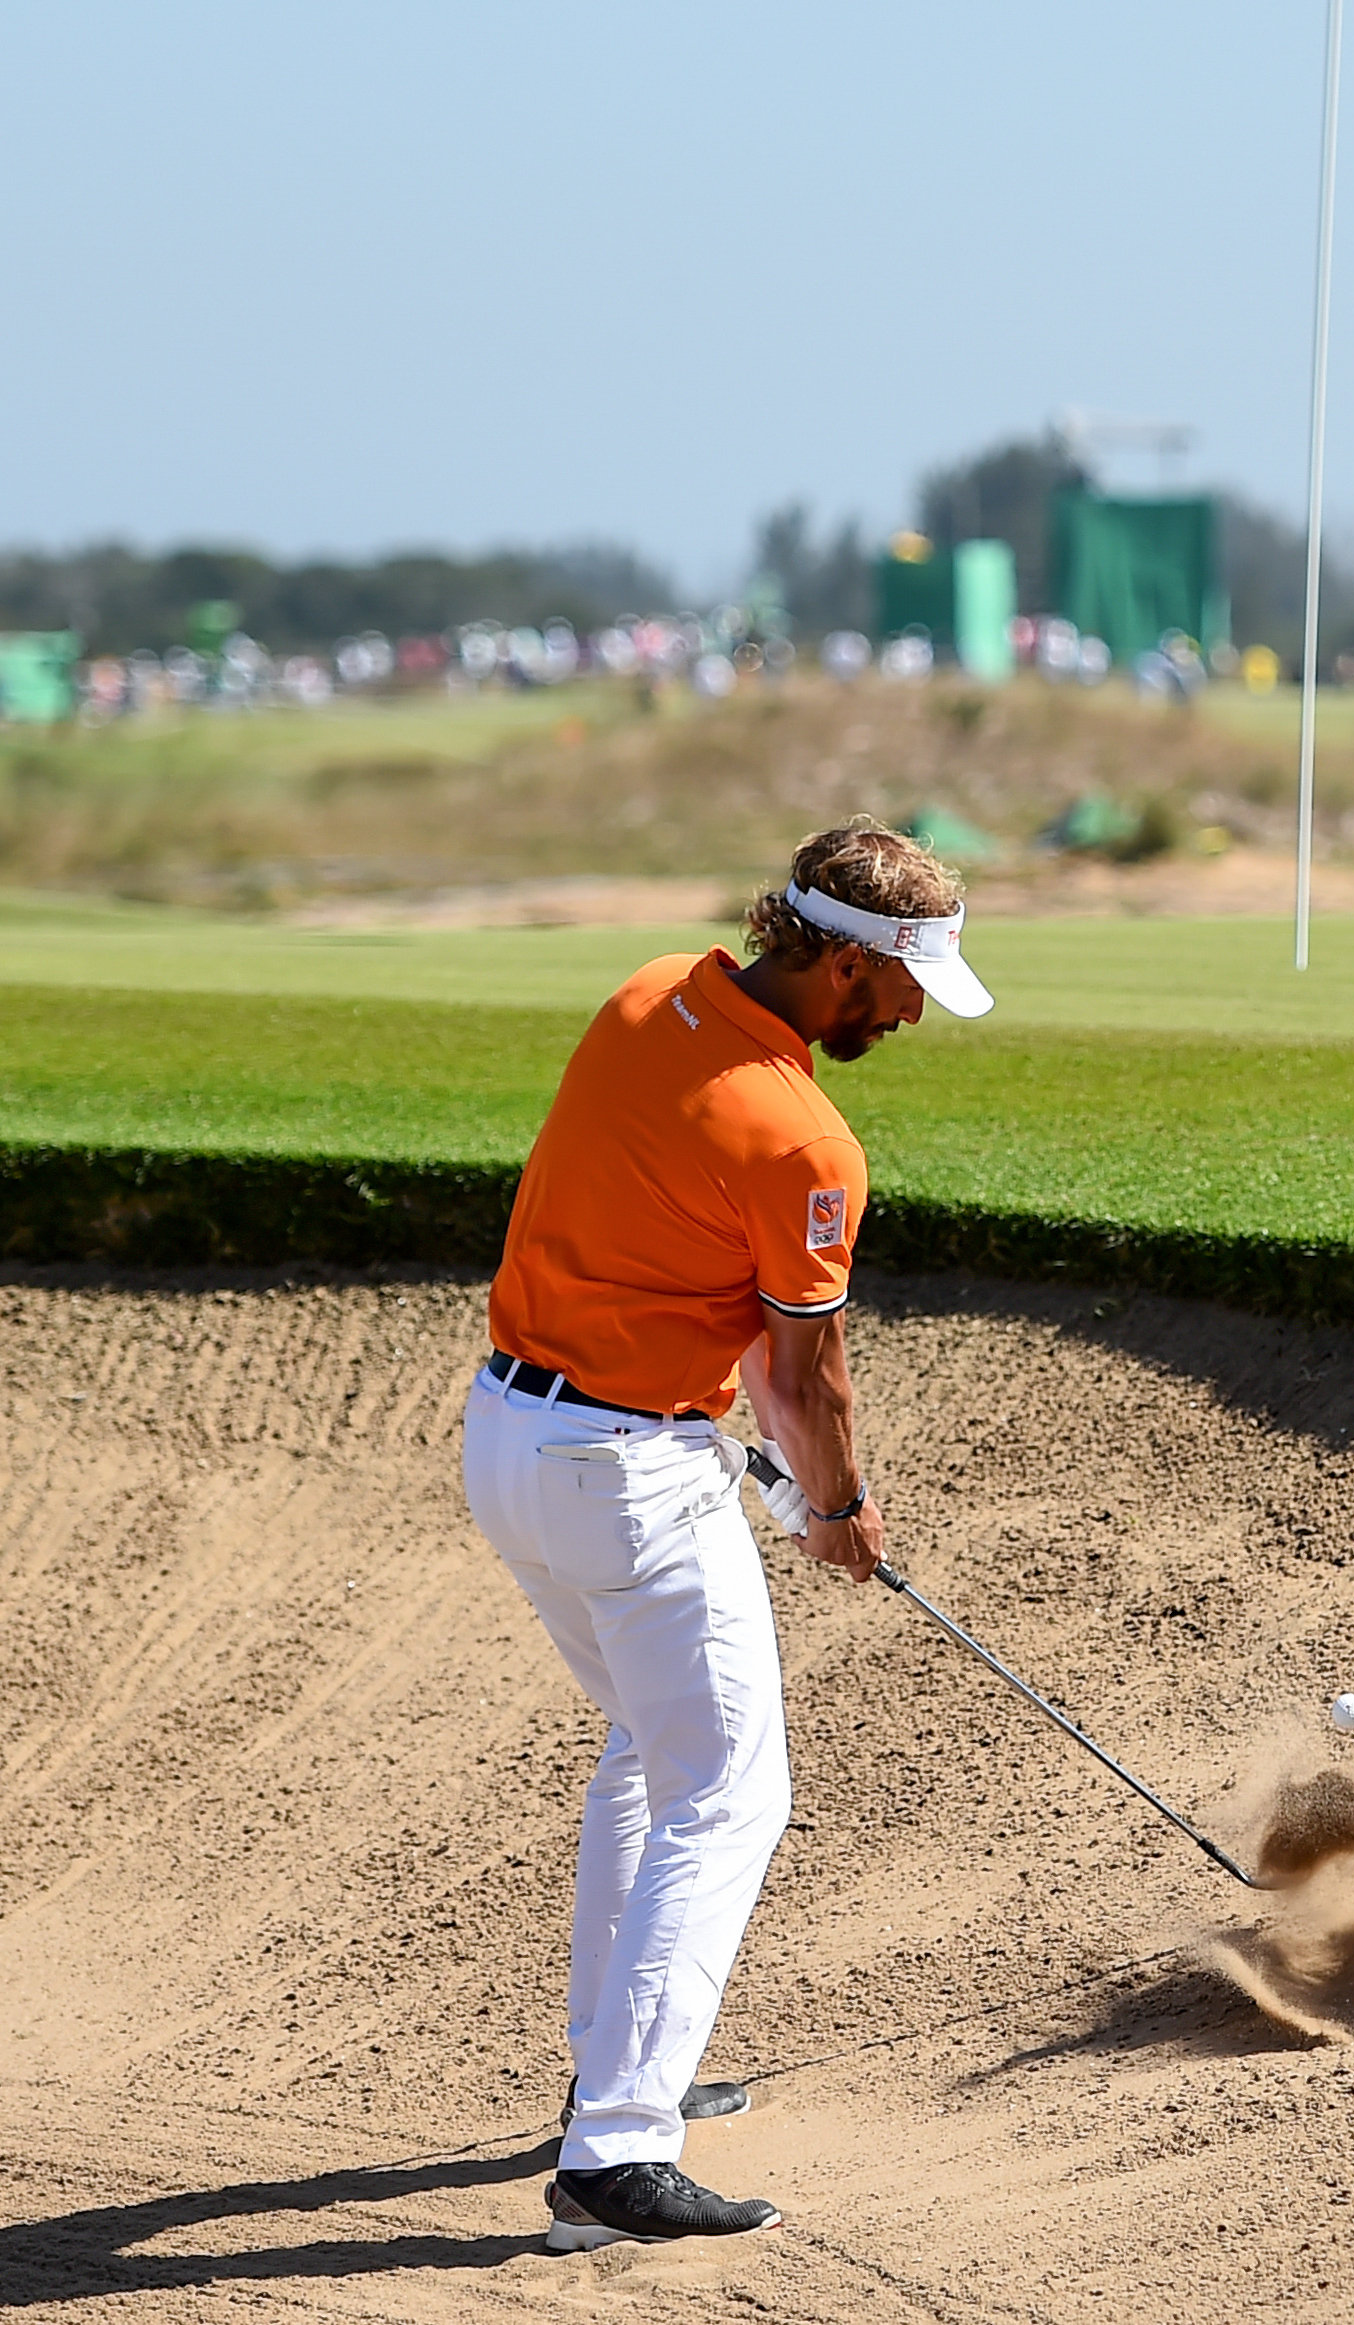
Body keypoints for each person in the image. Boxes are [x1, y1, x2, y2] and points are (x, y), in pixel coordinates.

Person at [462, 820, 993, 2254]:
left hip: (510, 1437)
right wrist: (837, 1507)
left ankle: (610, 2079)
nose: (918, 1008)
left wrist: (783, 1469)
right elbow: (806, 1373)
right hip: (624, 1473)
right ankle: (619, 2153)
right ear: (833, 957)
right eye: (904, 981)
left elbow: (688, 1282)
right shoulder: (808, 1137)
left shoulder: (647, 994)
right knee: (732, 1788)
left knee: (652, 1749)